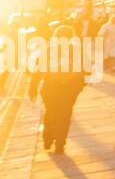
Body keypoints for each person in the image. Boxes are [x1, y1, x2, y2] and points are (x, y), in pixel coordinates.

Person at [28, 25, 89, 154]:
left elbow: (36, 71)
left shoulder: (48, 50)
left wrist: (32, 89)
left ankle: (47, 140)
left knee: (50, 112)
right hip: (69, 89)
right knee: (65, 115)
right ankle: (60, 144)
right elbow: (86, 70)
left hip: (49, 88)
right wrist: (79, 87)